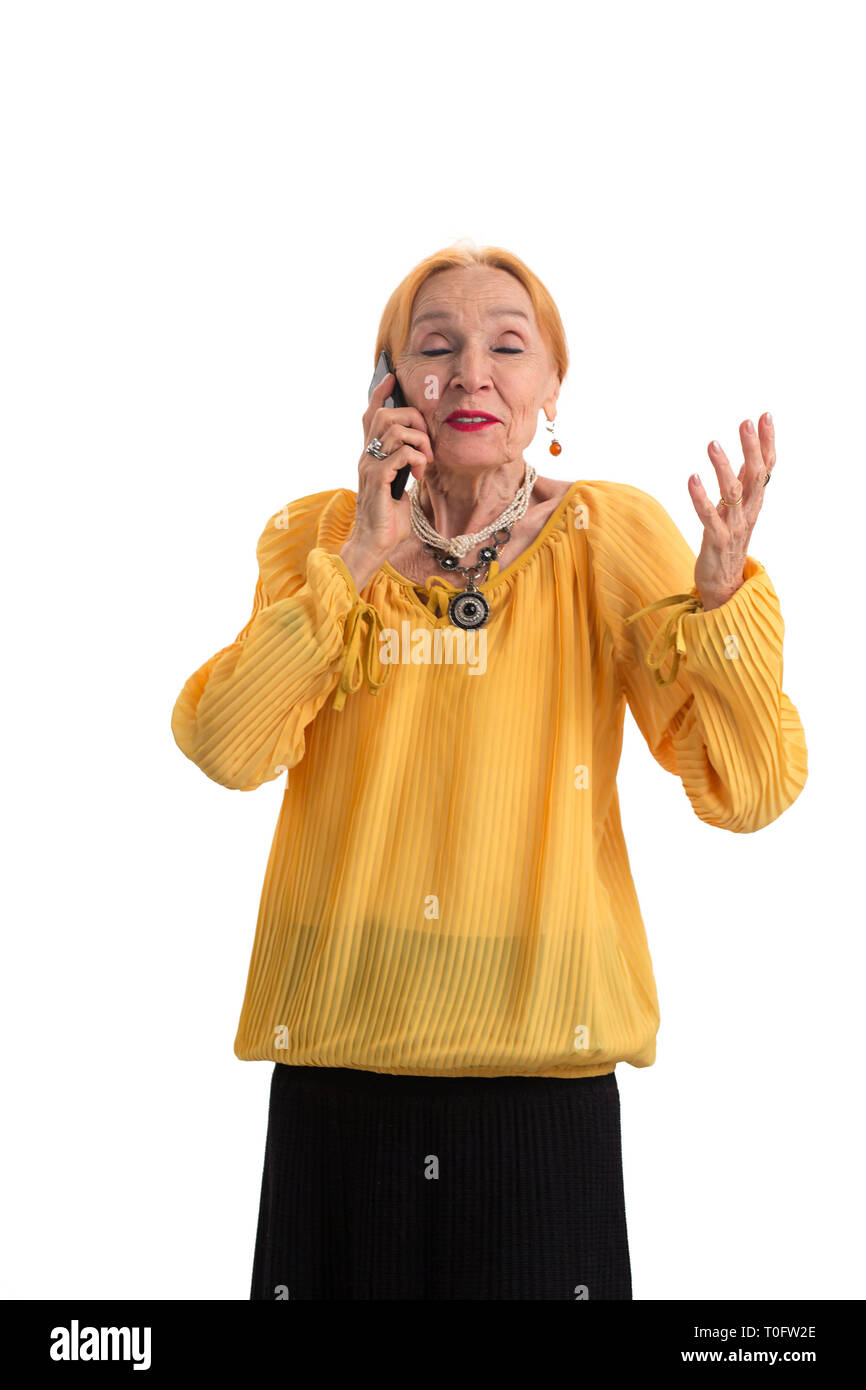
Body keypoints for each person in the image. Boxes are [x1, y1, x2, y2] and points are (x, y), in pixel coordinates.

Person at [170, 241, 808, 1301]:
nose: (471, 372)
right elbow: (224, 746)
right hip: (341, 1073)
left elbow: (748, 791)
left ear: (551, 385)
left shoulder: (609, 537)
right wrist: (364, 555)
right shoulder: (318, 542)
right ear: (384, 386)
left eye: (507, 345)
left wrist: (718, 606)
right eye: (435, 347)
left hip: (540, 1089)